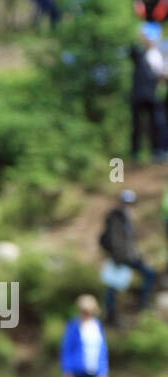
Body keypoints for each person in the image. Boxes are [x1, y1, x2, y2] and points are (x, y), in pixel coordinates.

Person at [99, 189, 157, 325]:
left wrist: (138, 256)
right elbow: (117, 240)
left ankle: (142, 302)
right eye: (126, 202)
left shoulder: (126, 217)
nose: (127, 205)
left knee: (149, 274)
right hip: (121, 258)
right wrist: (119, 258)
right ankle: (111, 314)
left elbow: (130, 241)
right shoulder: (116, 218)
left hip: (129, 257)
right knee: (113, 287)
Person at [60, 294, 109, 377]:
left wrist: (103, 371)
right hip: (77, 370)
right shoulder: (74, 325)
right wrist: (67, 371)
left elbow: (102, 351)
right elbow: (67, 349)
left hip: (91, 369)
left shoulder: (97, 326)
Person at [130, 24, 167, 162]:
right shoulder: (139, 53)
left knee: (157, 124)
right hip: (139, 94)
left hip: (153, 95)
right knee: (137, 125)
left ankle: (157, 152)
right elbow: (132, 50)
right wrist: (139, 36)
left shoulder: (159, 55)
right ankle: (135, 153)